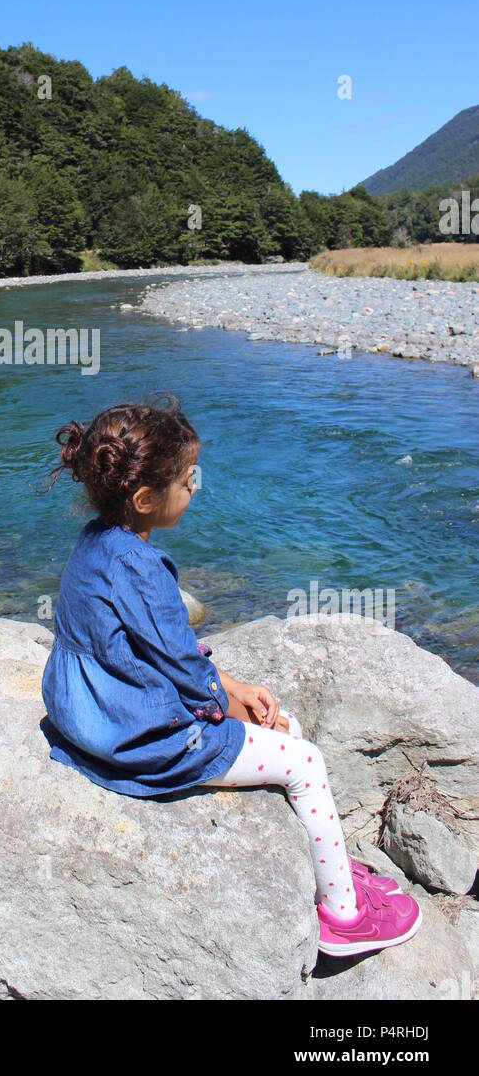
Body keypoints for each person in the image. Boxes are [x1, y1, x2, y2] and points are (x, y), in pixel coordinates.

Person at [41, 395, 421, 957]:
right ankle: (343, 914)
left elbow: (146, 645)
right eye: (188, 478)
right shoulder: (144, 570)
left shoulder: (95, 543)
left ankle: (325, 863)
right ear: (146, 499)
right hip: (134, 739)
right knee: (303, 758)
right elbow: (185, 671)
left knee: (277, 733)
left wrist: (235, 685)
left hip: (83, 715)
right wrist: (229, 704)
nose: (196, 486)